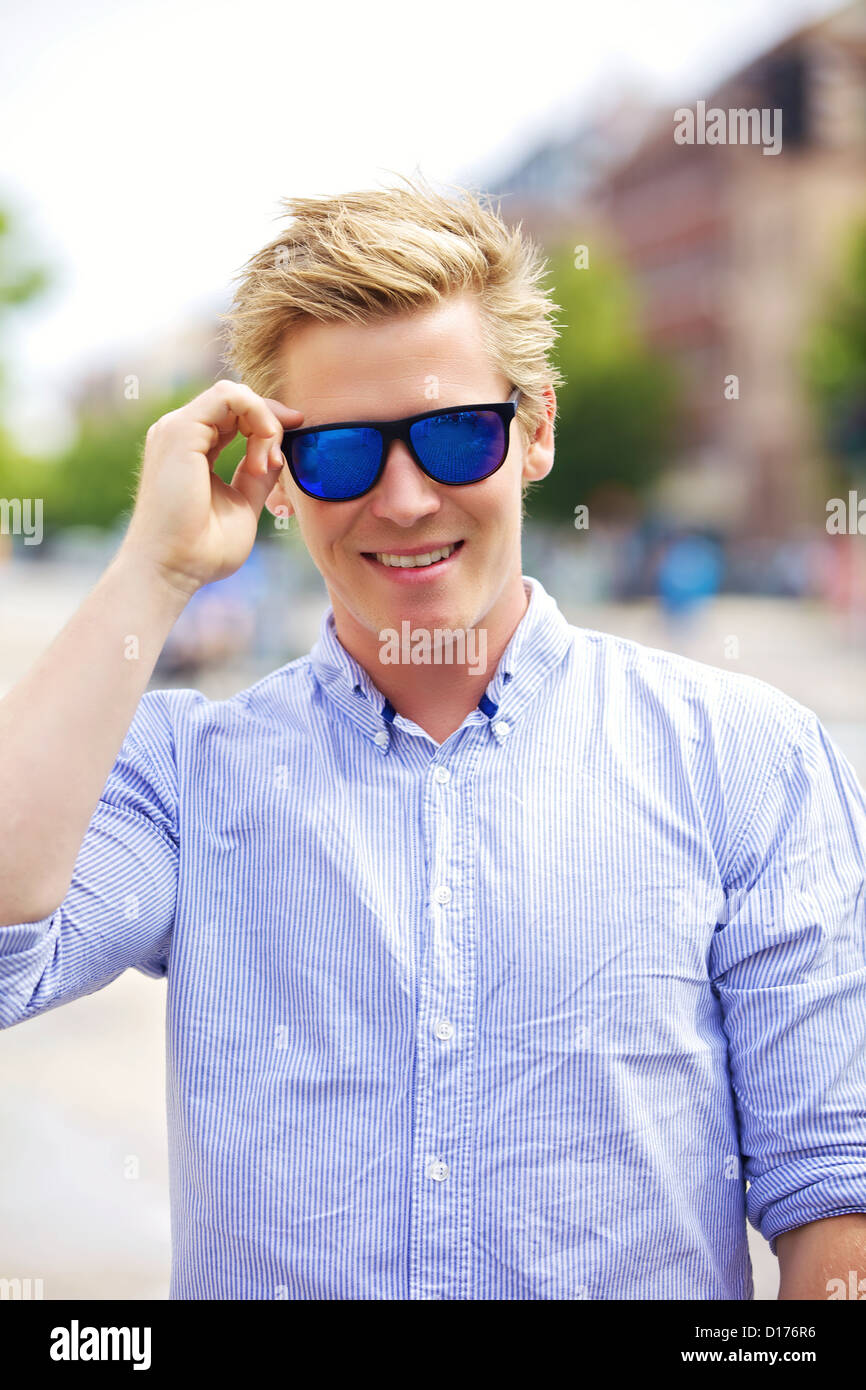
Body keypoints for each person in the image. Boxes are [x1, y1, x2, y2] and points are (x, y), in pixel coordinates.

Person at [1, 177, 864, 1301]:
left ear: (535, 428)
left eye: (457, 434)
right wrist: (152, 572)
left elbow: (833, 1203)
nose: (403, 499)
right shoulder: (188, 775)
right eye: (342, 455)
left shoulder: (749, 761)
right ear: (275, 484)